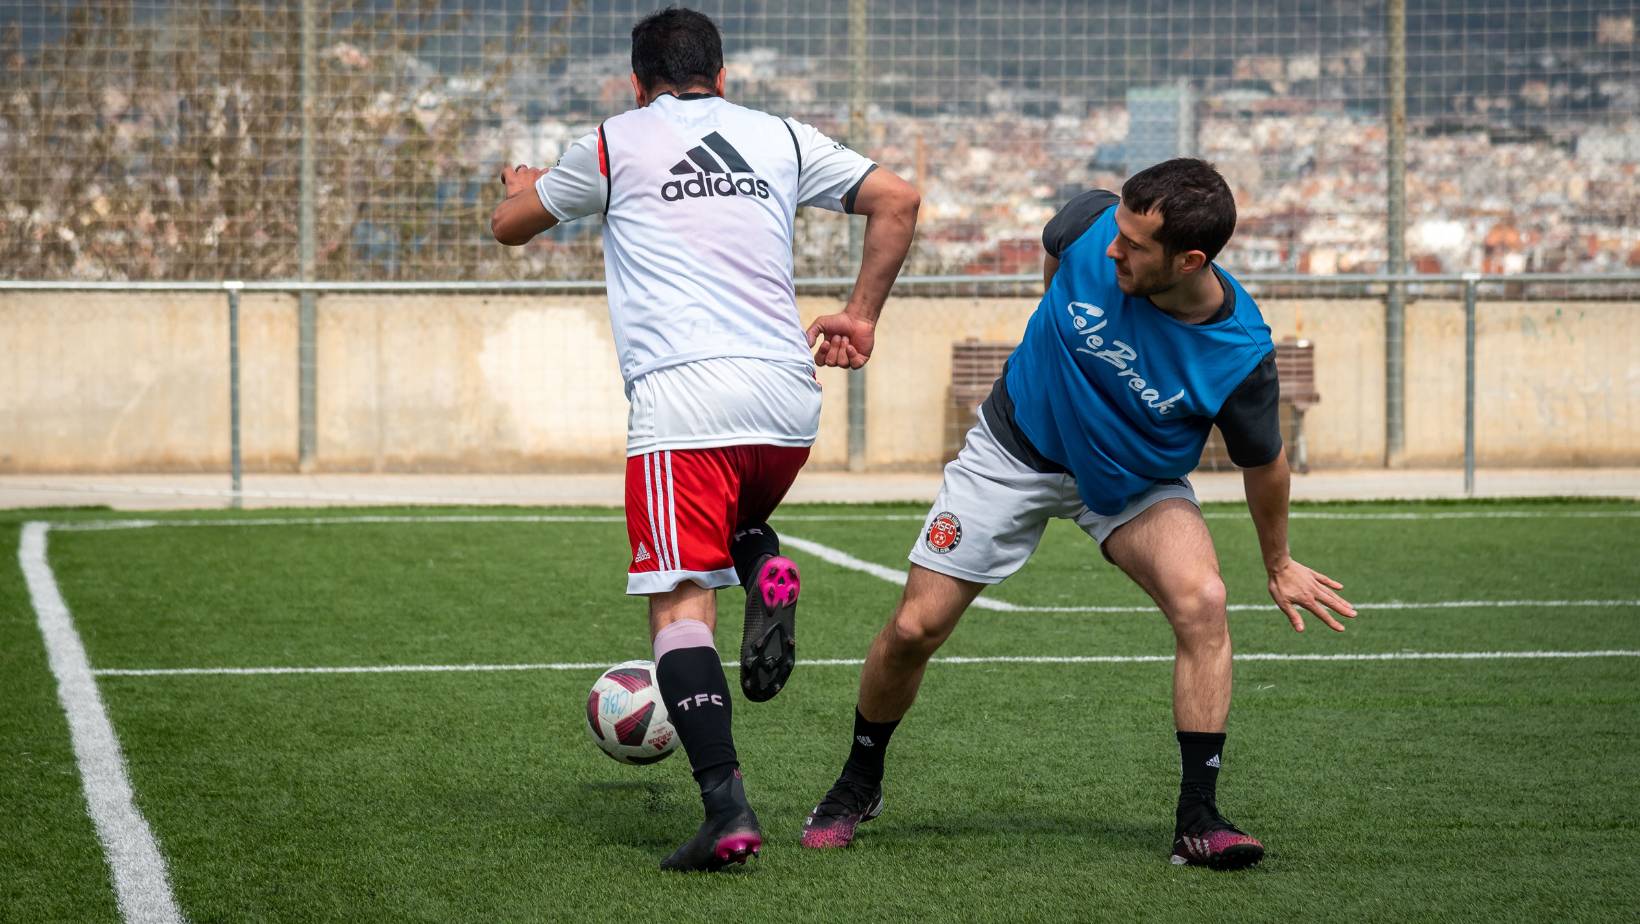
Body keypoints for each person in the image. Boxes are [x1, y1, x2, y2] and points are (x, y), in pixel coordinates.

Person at [799, 158, 1354, 870]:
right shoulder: (1090, 221)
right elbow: (1058, 261)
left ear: (1189, 261)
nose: (1113, 250)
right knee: (915, 627)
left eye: (1135, 246)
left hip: (1132, 482)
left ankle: (1198, 819)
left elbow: (1265, 464)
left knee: (1204, 600)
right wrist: (1060, 355)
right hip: (1014, 448)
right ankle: (858, 782)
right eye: (1118, 231)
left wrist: (1278, 563)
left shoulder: (1239, 354)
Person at [490, 7, 919, 872]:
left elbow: (510, 226)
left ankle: (726, 808)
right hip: (786, 399)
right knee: (733, 527)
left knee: (680, 602)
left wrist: (521, 184)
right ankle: (762, 567)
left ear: (636, 84)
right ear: (722, 77)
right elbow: (897, 199)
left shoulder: (612, 141)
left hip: (685, 402)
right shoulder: (779, 135)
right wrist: (861, 316)